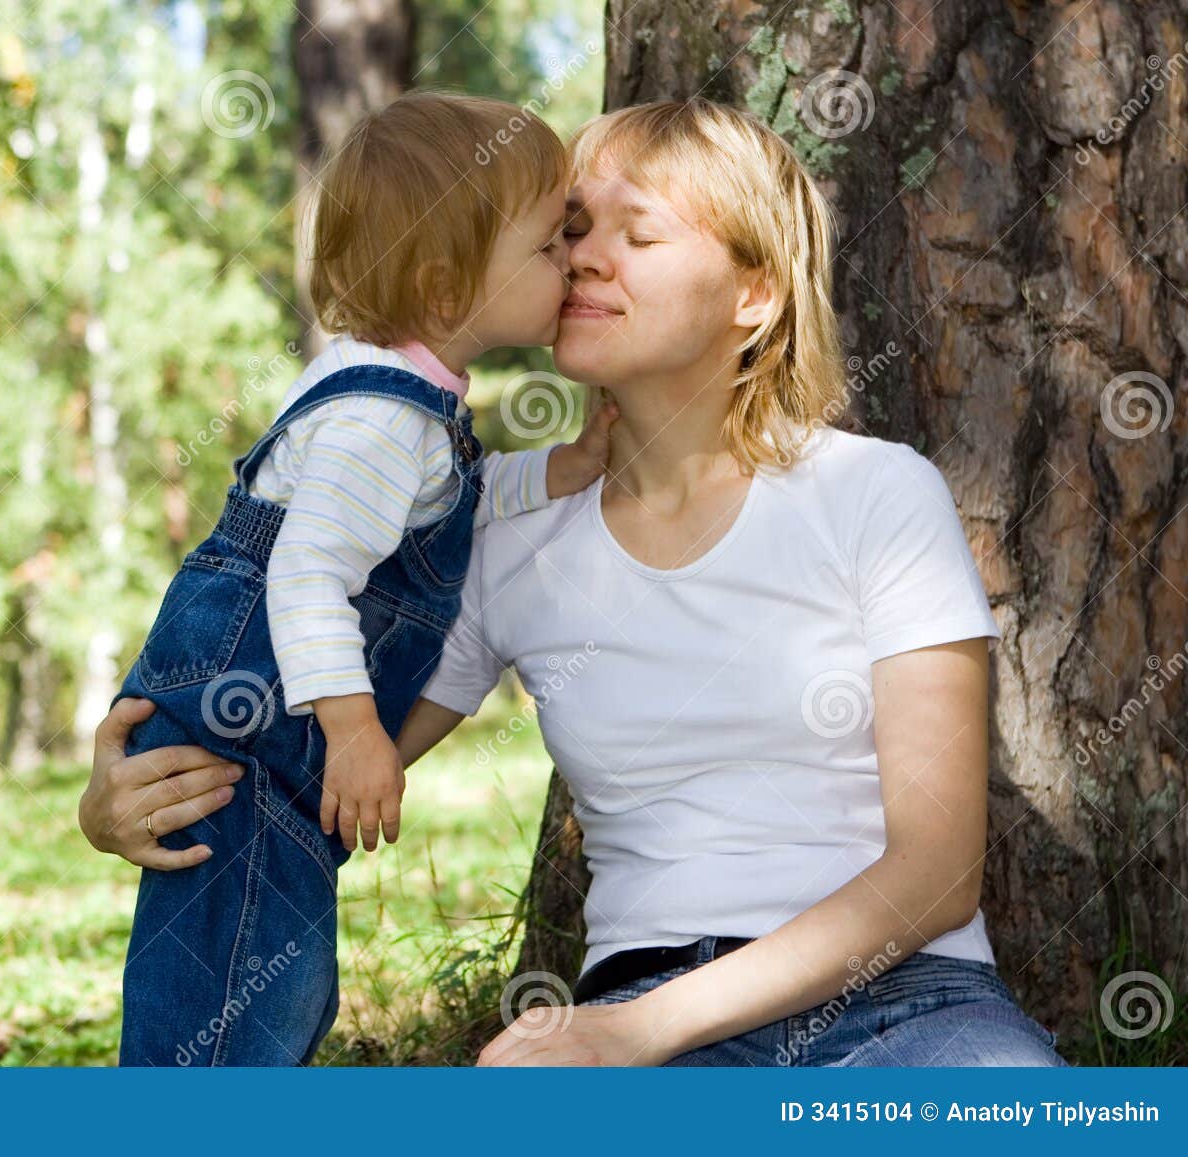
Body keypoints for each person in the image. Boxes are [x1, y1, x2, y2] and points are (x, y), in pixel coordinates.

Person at [82, 97, 1065, 1067]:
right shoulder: (502, 535)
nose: (586, 258)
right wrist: (132, 797)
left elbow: (935, 874)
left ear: (754, 295)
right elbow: (318, 762)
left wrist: (637, 1030)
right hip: (639, 1010)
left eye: (637, 234)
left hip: (910, 1003)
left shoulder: (873, 493)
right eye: (572, 229)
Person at [107, 90, 615, 1067]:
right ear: (442, 285)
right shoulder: (384, 420)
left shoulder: (399, 399)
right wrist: (351, 729)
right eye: (548, 246)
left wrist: (564, 467)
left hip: (254, 744)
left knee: (255, 980)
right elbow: (306, 574)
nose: (570, 262)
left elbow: (436, 509)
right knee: (242, 999)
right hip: (254, 752)